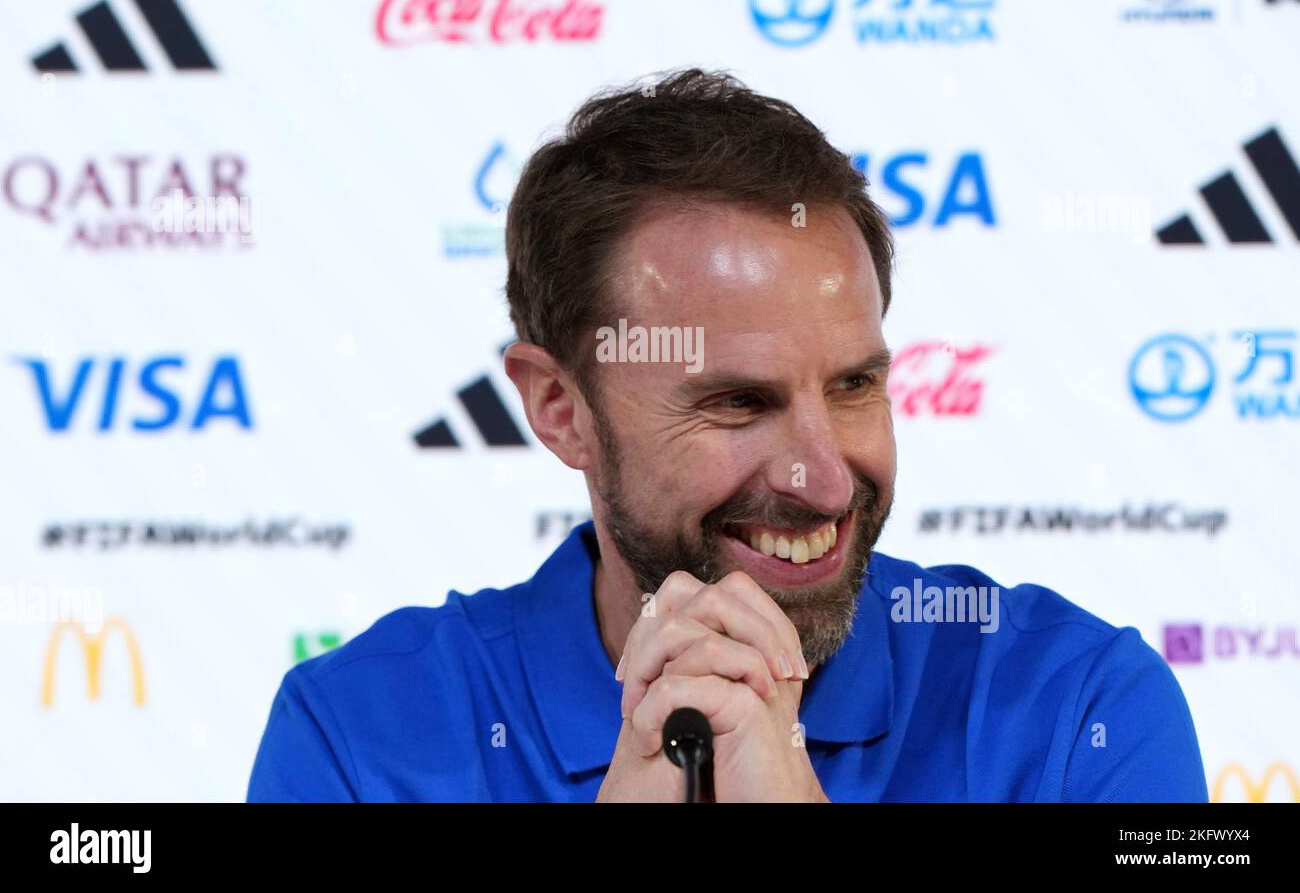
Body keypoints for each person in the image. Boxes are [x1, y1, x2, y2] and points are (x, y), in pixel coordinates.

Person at [247, 68, 1208, 802]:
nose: (825, 481)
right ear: (559, 409)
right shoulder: (359, 738)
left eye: (853, 385)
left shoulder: (1081, 707)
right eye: (739, 403)